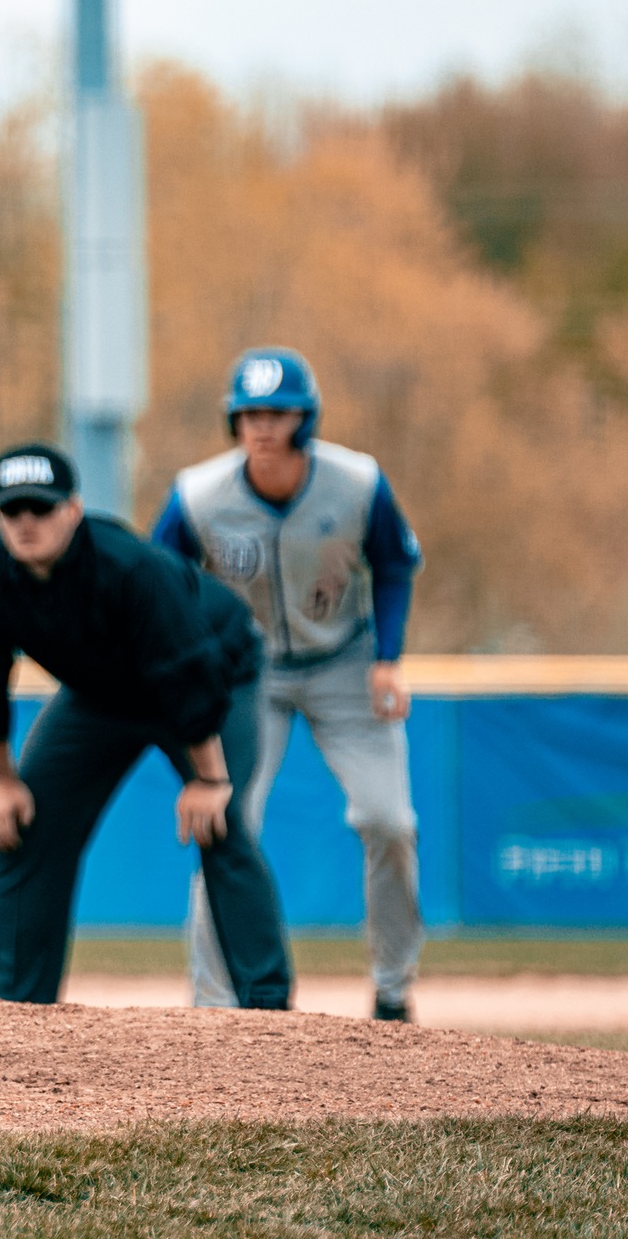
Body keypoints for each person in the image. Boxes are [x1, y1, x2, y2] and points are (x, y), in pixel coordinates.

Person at [0, 443, 293, 1010]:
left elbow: (187, 671)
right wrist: (1, 779)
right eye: (13, 511)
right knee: (25, 821)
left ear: (73, 510)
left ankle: (268, 1008)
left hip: (213, 674)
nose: (27, 523)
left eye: (41, 508)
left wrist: (206, 781)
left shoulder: (128, 565)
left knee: (220, 822)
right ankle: (11, 1011)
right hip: (101, 696)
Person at [153, 347, 425, 1021]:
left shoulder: (357, 482)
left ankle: (393, 991)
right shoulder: (199, 494)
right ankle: (212, 1003)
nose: (263, 427)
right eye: (249, 413)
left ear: (306, 419)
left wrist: (388, 655)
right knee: (227, 821)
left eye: (278, 413)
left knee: (389, 821)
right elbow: (154, 581)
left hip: (344, 662)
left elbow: (394, 562)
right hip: (249, 673)